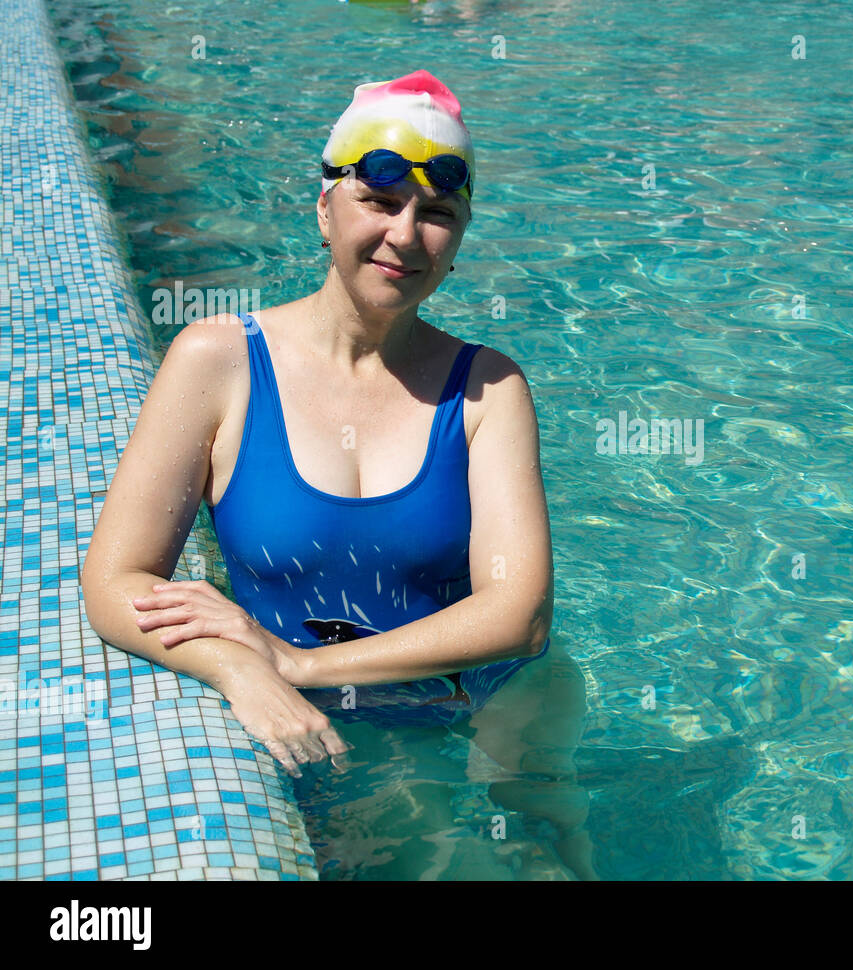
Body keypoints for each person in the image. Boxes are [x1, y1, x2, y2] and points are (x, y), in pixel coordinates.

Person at [81, 69, 597, 879]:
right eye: (380, 203)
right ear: (325, 210)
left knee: (556, 865)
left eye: (438, 215)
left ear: (458, 243)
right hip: (357, 727)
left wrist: (297, 665)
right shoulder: (218, 363)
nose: (405, 235)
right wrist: (234, 666)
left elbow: (519, 615)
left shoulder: (488, 386)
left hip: (500, 696)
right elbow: (115, 578)